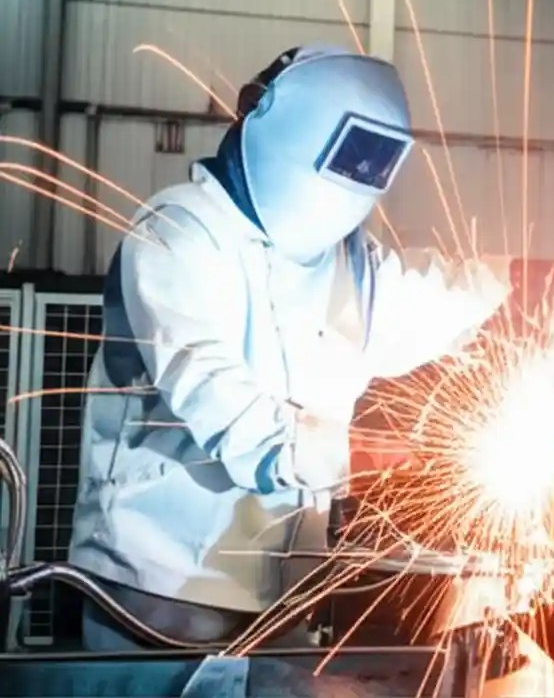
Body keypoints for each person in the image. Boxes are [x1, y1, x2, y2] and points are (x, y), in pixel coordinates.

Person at [67, 44, 511, 649]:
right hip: (160, 592)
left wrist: (516, 285)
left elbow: (432, 303)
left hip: (283, 593)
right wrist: (356, 450)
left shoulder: (350, 261)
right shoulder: (181, 232)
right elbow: (226, 409)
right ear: (256, 110)